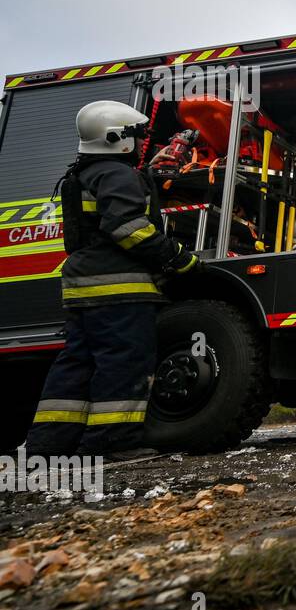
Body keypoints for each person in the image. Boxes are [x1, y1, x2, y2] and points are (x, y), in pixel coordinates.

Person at [26, 100, 201, 459]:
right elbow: (128, 228)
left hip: (82, 287)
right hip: (118, 289)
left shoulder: (81, 175)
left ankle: (49, 445)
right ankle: (112, 442)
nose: (141, 144)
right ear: (117, 139)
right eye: (136, 136)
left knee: (77, 364)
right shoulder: (117, 174)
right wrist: (177, 258)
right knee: (123, 361)